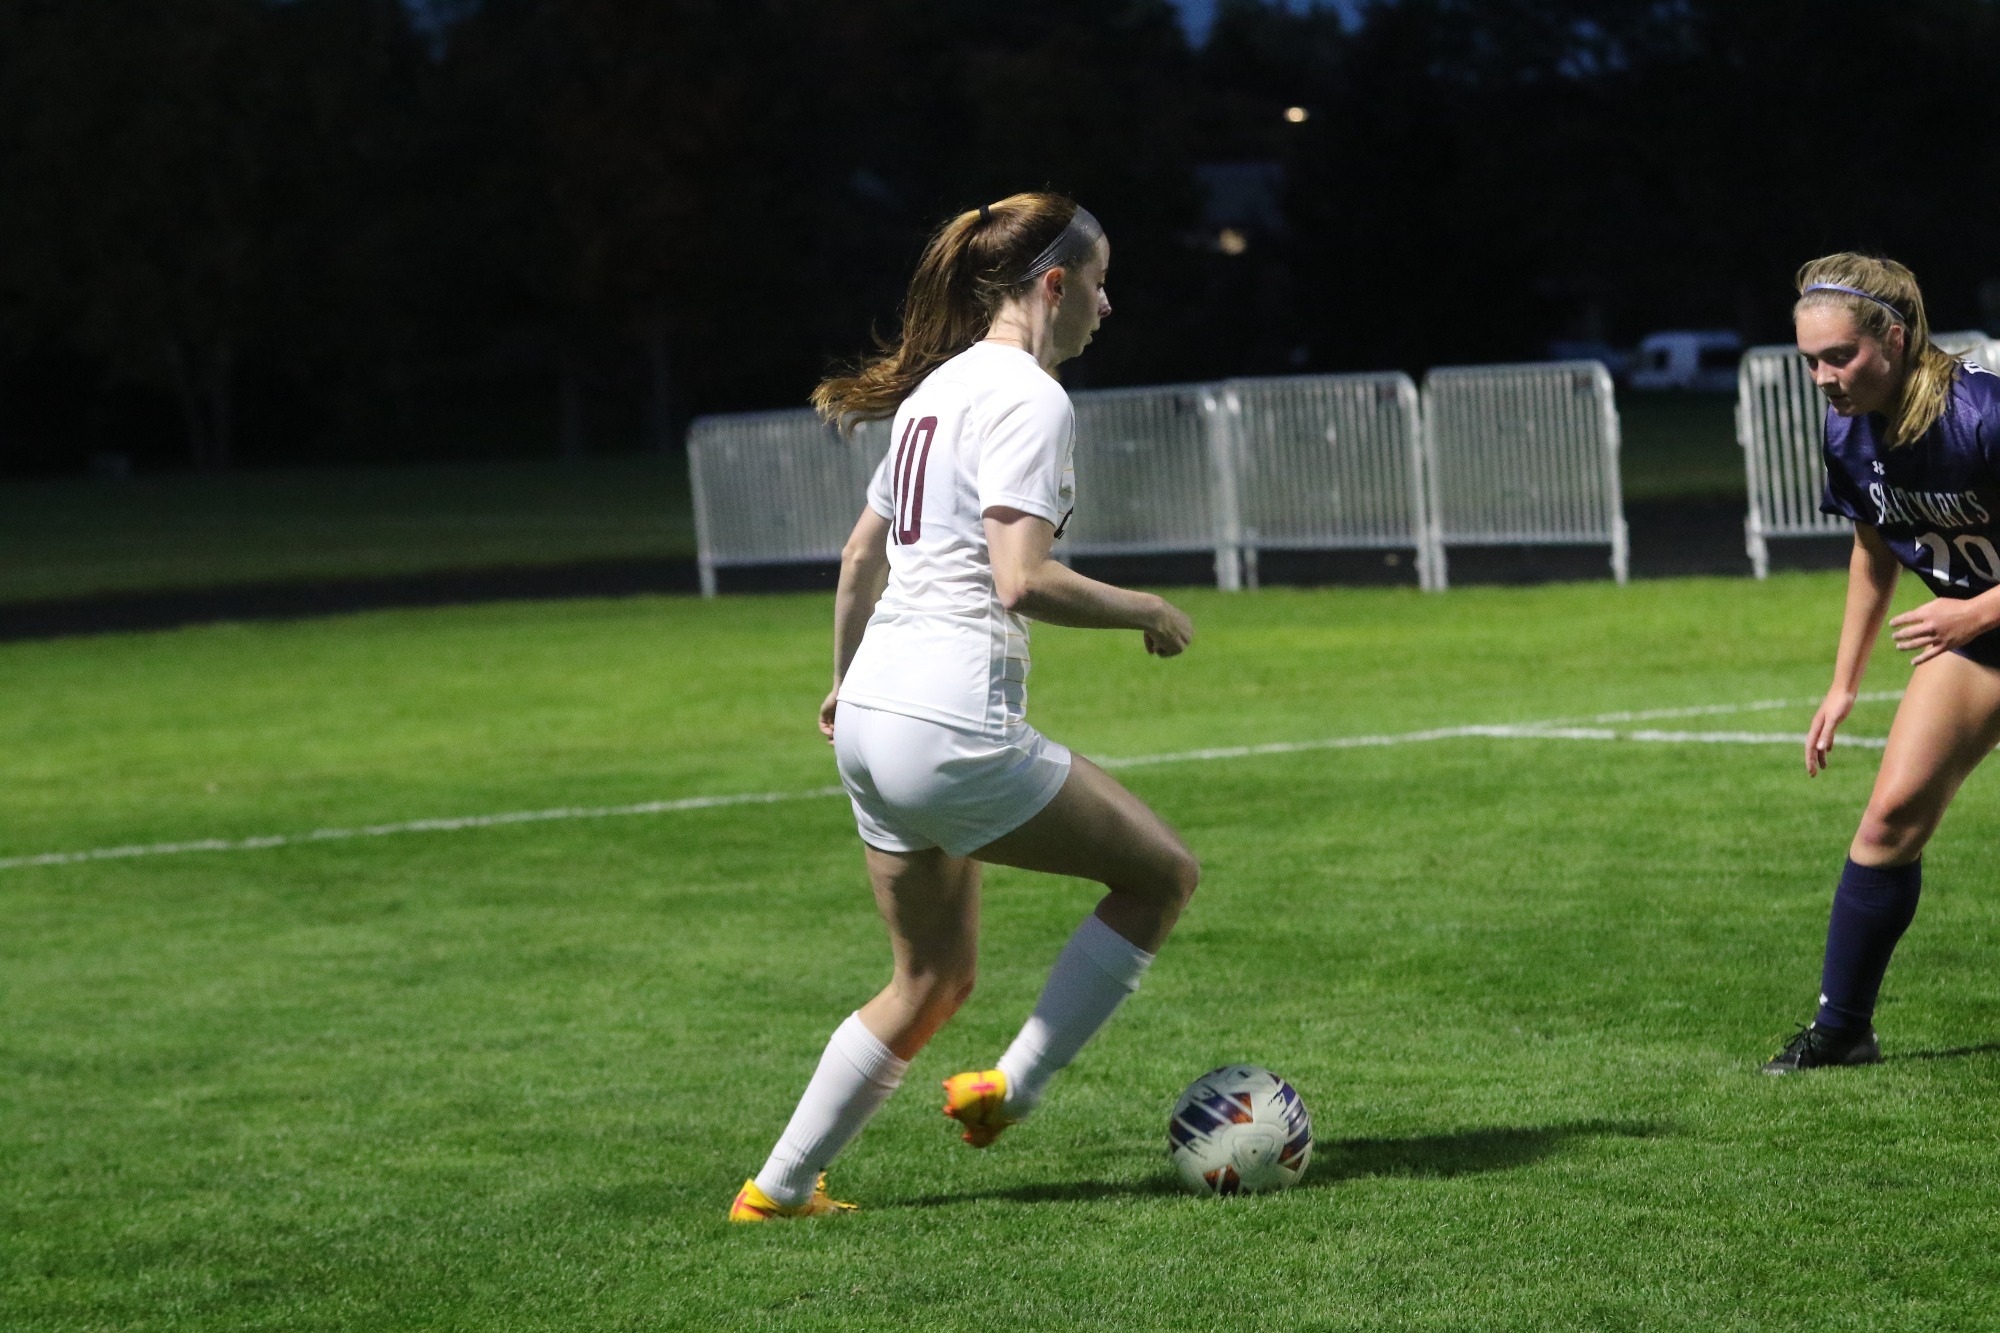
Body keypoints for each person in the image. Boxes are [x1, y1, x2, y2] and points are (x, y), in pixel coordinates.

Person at [729, 193, 1201, 1219]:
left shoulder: (936, 392)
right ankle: (1010, 1089)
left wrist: (846, 681)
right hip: (947, 723)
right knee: (1159, 875)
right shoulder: (1030, 398)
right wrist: (1146, 610)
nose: (1108, 305)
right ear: (1052, 285)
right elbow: (1020, 579)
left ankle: (777, 1187)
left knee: (931, 977)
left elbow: (860, 556)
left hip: (870, 724)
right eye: (1101, 281)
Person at [1766, 252, 2000, 1073]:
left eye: (1841, 356)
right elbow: (1873, 549)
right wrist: (1842, 684)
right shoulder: (1847, 428)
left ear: (1894, 338)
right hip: (1976, 639)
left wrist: (1975, 607)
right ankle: (1842, 1032)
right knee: (1890, 816)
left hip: (1974, 621)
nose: (1825, 378)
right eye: (1811, 362)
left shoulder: (1985, 414)